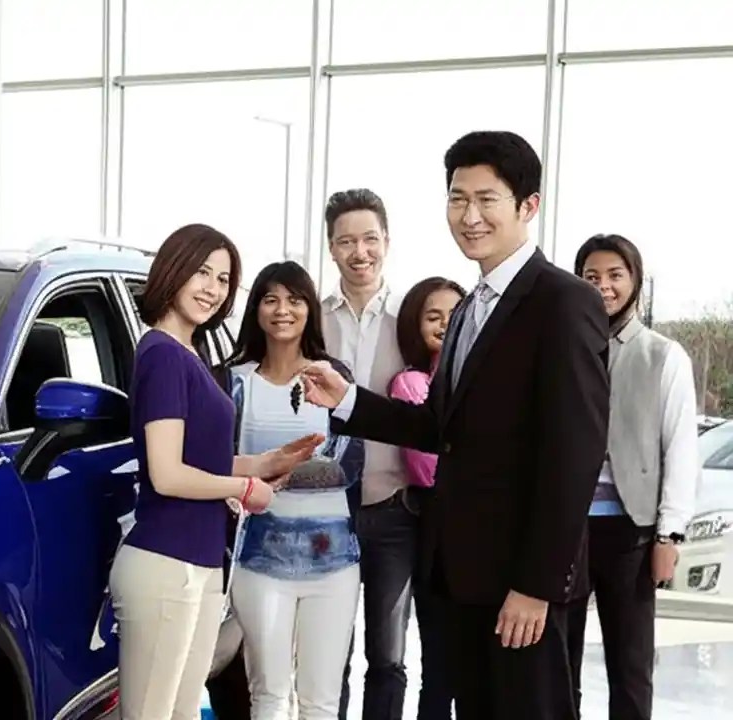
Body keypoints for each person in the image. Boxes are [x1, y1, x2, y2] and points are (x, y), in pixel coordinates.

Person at [297, 130, 610, 720]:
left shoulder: (562, 301)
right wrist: (350, 400)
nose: (469, 216)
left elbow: (575, 455)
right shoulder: (470, 305)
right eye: (457, 198)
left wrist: (536, 584)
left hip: (521, 582)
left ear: (528, 206)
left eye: (487, 200)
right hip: (462, 573)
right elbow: (439, 424)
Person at [109, 223, 322, 720]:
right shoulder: (162, 354)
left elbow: (198, 463)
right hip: (166, 562)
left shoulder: (191, 355)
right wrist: (245, 488)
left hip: (199, 564)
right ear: (174, 270)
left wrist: (268, 464)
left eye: (224, 280)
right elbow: (166, 474)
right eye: (202, 272)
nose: (212, 288)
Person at [222, 261, 365, 719]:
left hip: (333, 562)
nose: (283, 310)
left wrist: (268, 471)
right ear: (256, 309)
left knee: (321, 700)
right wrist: (266, 471)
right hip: (260, 561)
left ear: (309, 310)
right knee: (266, 694)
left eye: (295, 300)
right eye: (270, 299)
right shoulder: (233, 381)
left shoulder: (332, 376)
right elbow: (213, 464)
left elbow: (351, 465)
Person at [567, 233, 700, 720]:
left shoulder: (663, 355)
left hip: (632, 531)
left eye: (615, 275)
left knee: (630, 665)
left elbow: (681, 448)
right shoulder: (566, 349)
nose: (603, 286)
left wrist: (669, 532)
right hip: (568, 529)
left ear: (635, 282)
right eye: (591, 277)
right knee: (561, 663)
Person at [318, 188, 413, 720]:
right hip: (324, 509)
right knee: (329, 652)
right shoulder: (309, 318)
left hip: (393, 507)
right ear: (331, 248)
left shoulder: (412, 316)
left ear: (387, 243)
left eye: (369, 239)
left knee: (388, 654)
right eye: (347, 241)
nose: (360, 252)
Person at [386, 277, 465, 720]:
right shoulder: (410, 384)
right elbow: (428, 465)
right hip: (437, 529)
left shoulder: (487, 381)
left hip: (484, 534)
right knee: (438, 662)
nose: (445, 324)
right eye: (433, 316)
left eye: (455, 314)